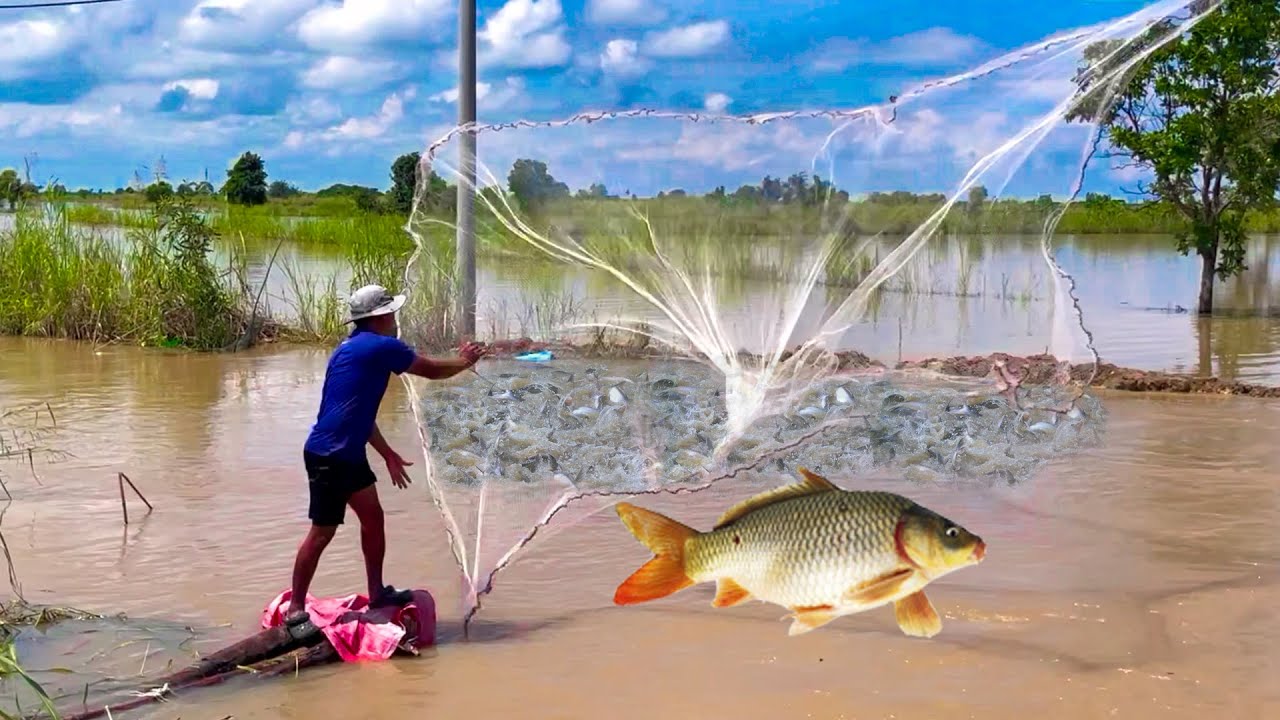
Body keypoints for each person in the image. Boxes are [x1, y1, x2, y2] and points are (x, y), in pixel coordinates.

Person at [284, 284, 487, 636]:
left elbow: (356, 414)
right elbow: (430, 370)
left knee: (373, 518)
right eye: (391, 312)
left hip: (346, 450)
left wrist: (388, 453)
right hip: (330, 455)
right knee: (322, 532)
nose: (395, 318)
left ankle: (377, 593)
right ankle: (295, 609)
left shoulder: (348, 348)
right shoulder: (381, 346)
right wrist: (466, 361)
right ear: (380, 317)